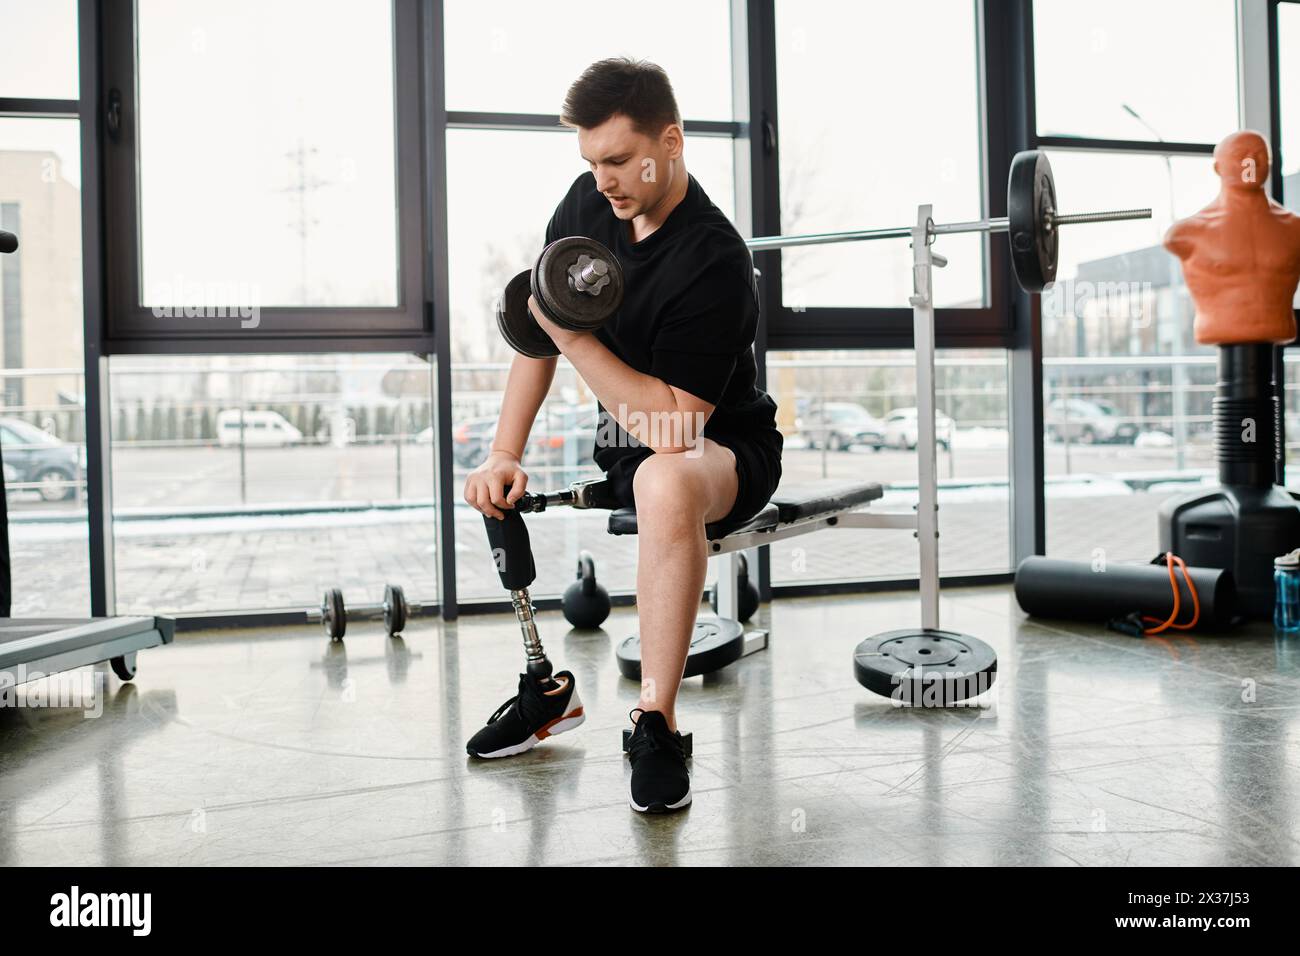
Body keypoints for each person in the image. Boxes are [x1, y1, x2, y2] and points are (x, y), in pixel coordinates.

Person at [463, 57, 782, 813]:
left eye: (615, 160)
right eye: (589, 161)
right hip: (628, 442)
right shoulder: (586, 204)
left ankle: (657, 721)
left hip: (720, 448)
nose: (602, 180)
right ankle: (548, 691)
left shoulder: (713, 258)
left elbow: (673, 425)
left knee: (663, 478)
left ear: (669, 141)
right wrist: (505, 453)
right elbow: (537, 334)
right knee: (499, 487)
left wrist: (573, 339)